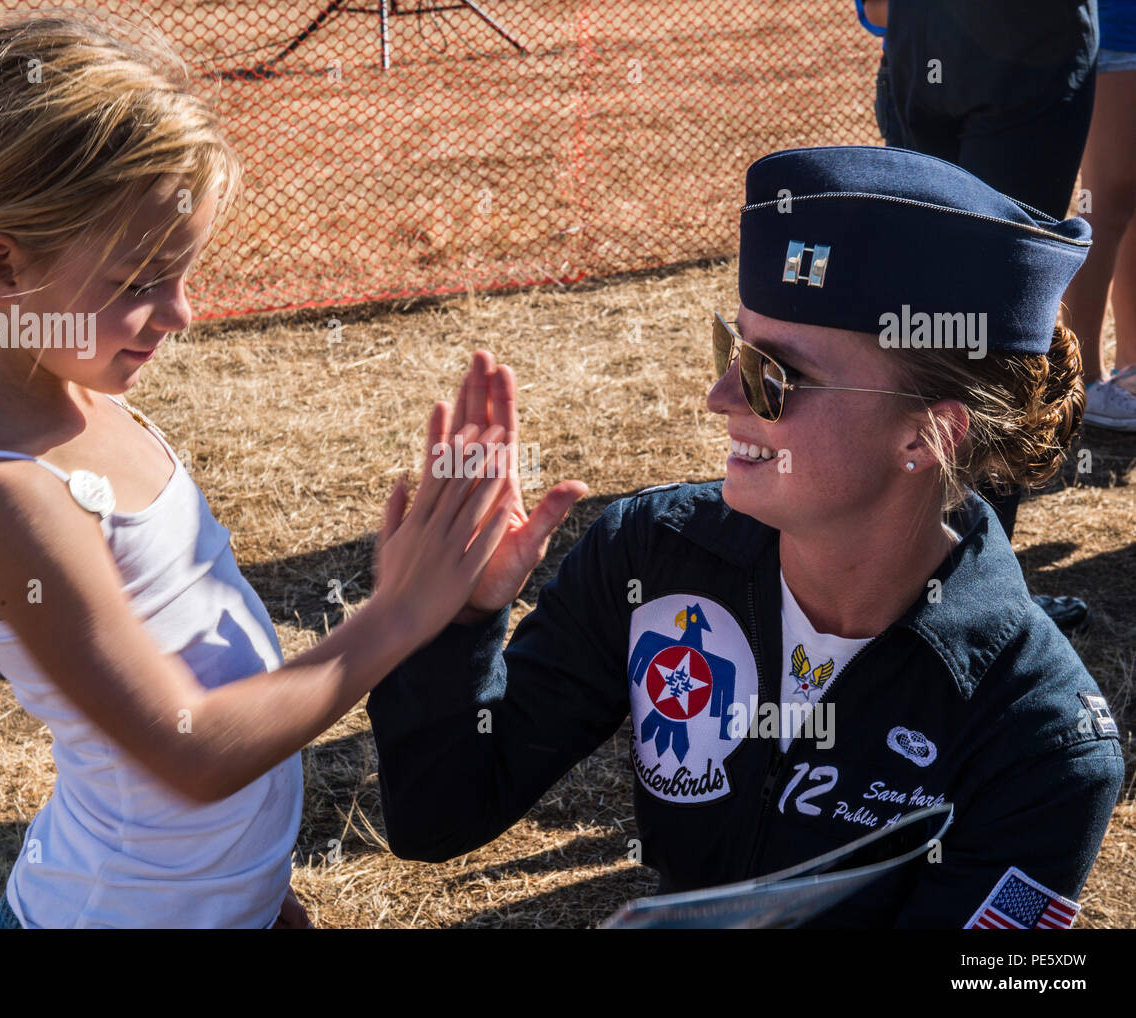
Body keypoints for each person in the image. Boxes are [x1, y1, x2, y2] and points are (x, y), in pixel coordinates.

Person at [0, 12, 517, 929]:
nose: (182, 311)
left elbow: (199, 672)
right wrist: (396, 615)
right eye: (140, 279)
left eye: (182, 271)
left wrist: (258, 893)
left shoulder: (89, 404)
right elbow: (189, 751)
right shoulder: (6, 498)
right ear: (3, 269)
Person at [366, 146, 1125, 927]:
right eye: (733, 349)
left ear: (927, 436)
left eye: (774, 375)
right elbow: (438, 817)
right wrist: (451, 628)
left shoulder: (1043, 740)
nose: (718, 396)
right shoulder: (653, 553)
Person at [866, 0, 1099, 633]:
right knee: (997, 318)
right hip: (1016, 47)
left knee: (939, 308)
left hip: (925, 42)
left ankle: (924, 574)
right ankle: (970, 585)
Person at [1063, 0, 1136, 430]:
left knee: (1125, 200)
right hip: (1113, 37)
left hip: (1119, 37)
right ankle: (1083, 379)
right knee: (1106, 203)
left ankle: (1128, 367)